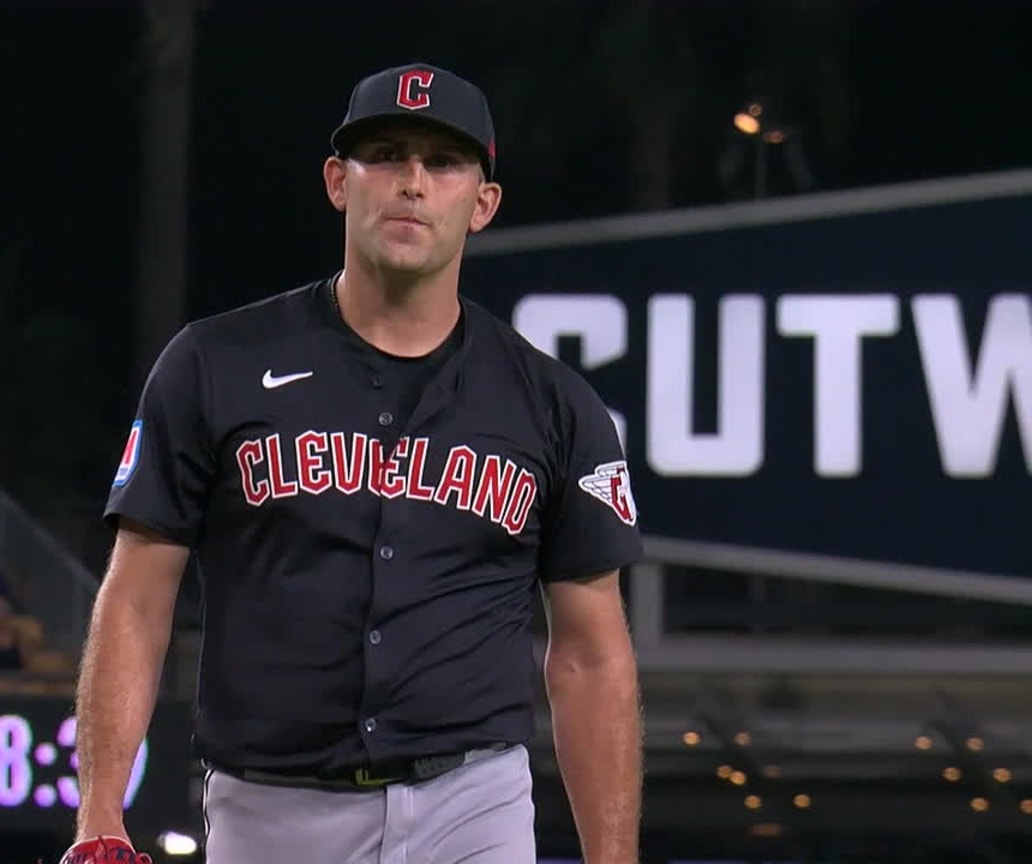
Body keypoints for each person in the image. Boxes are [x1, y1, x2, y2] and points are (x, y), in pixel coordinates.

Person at [62, 63, 644, 864]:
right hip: (270, 807)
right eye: (386, 155)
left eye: (442, 163)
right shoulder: (215, 363)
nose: (411, 182)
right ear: (340, 181)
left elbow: (590, 654)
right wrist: (99, 812)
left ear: (482, 204)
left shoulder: (551, 403)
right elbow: (136, 597)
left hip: (471, 804)